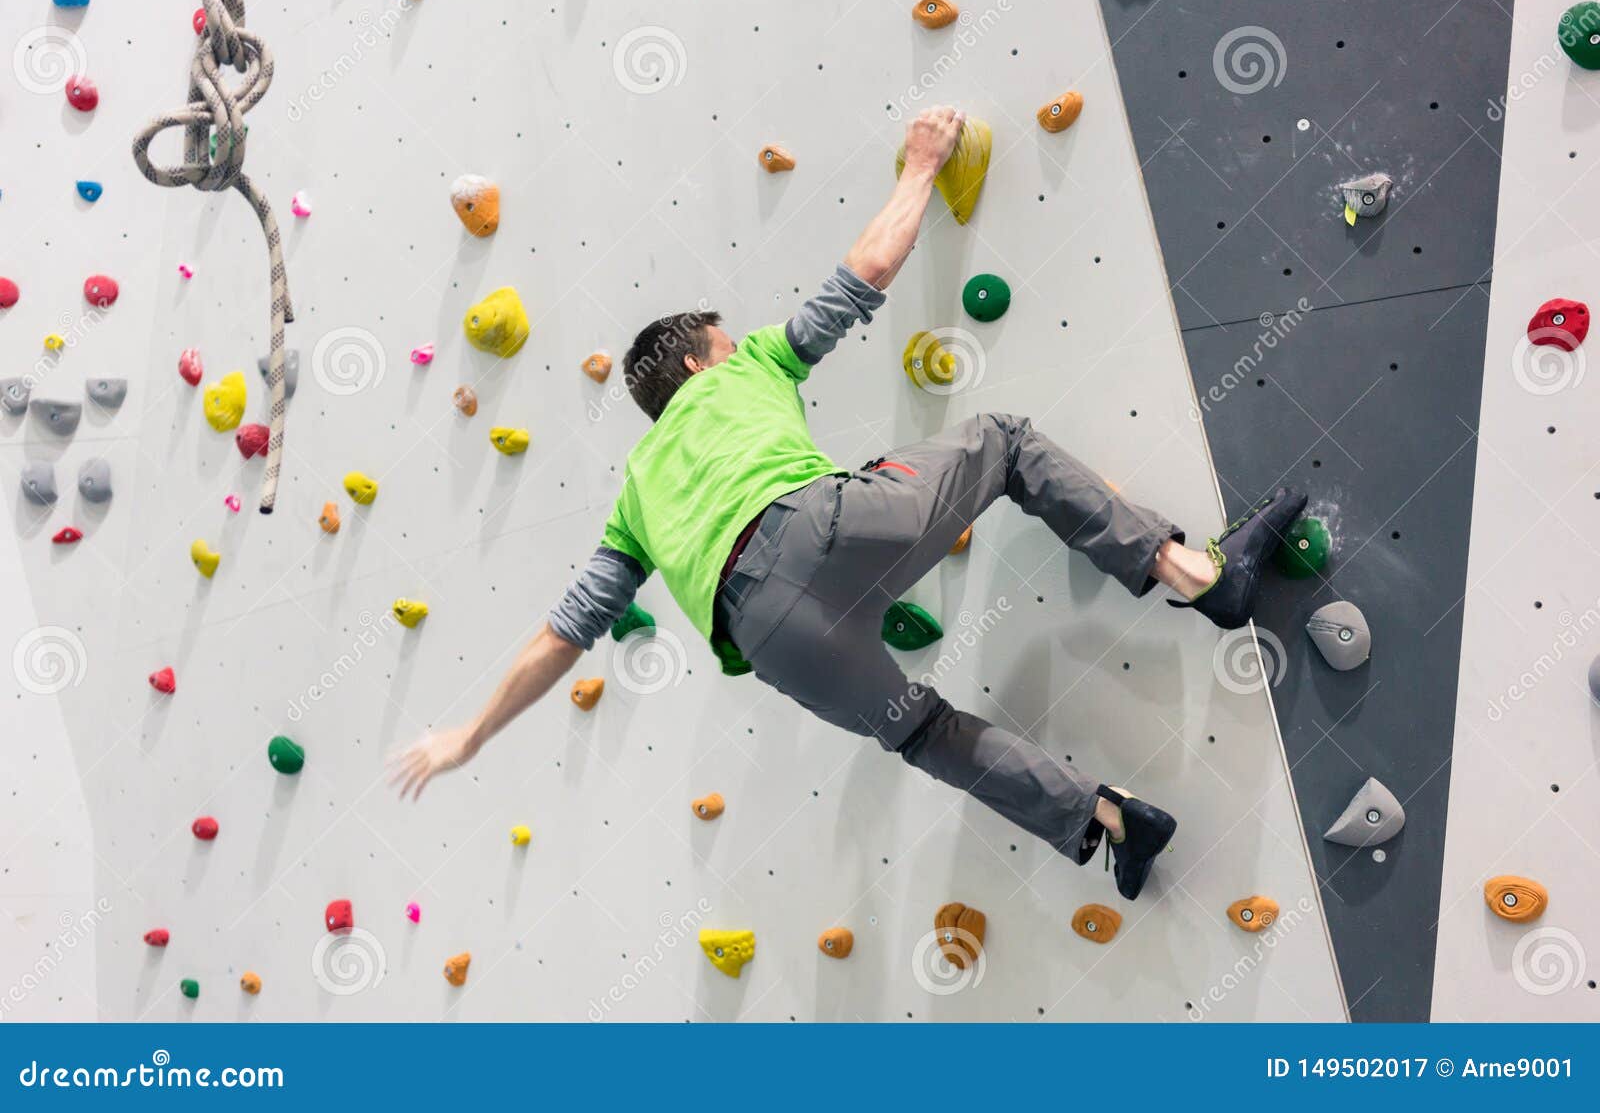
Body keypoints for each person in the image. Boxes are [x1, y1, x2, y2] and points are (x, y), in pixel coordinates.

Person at [389, 105, 1306, 901]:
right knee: (1006, 442)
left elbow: (563, 633)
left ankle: (1110, 818)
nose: (738, 340)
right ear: (702, 359)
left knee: (925, 733)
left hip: (768, 640)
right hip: (812, 533)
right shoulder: (745, 367)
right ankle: (1201, 576)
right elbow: (862, 274)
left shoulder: (633, 495)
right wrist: (919, 165)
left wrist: (467, 735)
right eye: (725, 337)